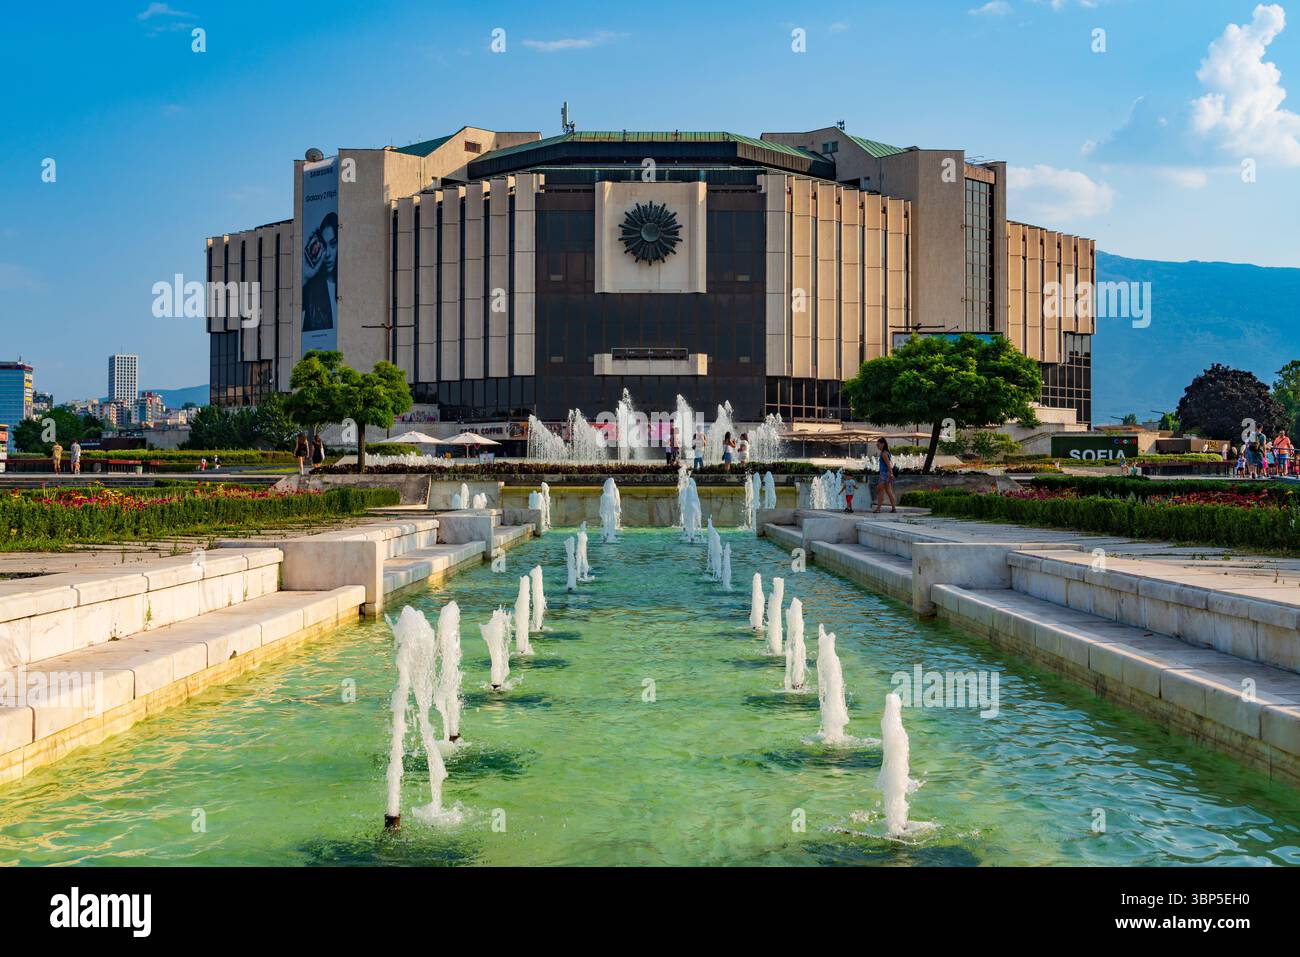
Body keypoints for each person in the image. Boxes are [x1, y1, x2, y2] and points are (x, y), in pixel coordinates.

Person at [301, 211, 339, 333]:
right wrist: (306, 275)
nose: (327, 254)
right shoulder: (312, 291)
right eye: (324, 245)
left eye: (332, 244)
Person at [872, 438, 897, 513]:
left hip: (884, 475)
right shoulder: (886, 452)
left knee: (880, 491)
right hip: (886, 474)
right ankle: (893, 508)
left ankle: (878, 509)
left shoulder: (884, 453)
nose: (877, 446)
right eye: (877, 444)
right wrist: (890, 474)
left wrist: (891, 474)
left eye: (878, 444)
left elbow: (888, 465)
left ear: (883, 444)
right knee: (889, 491)